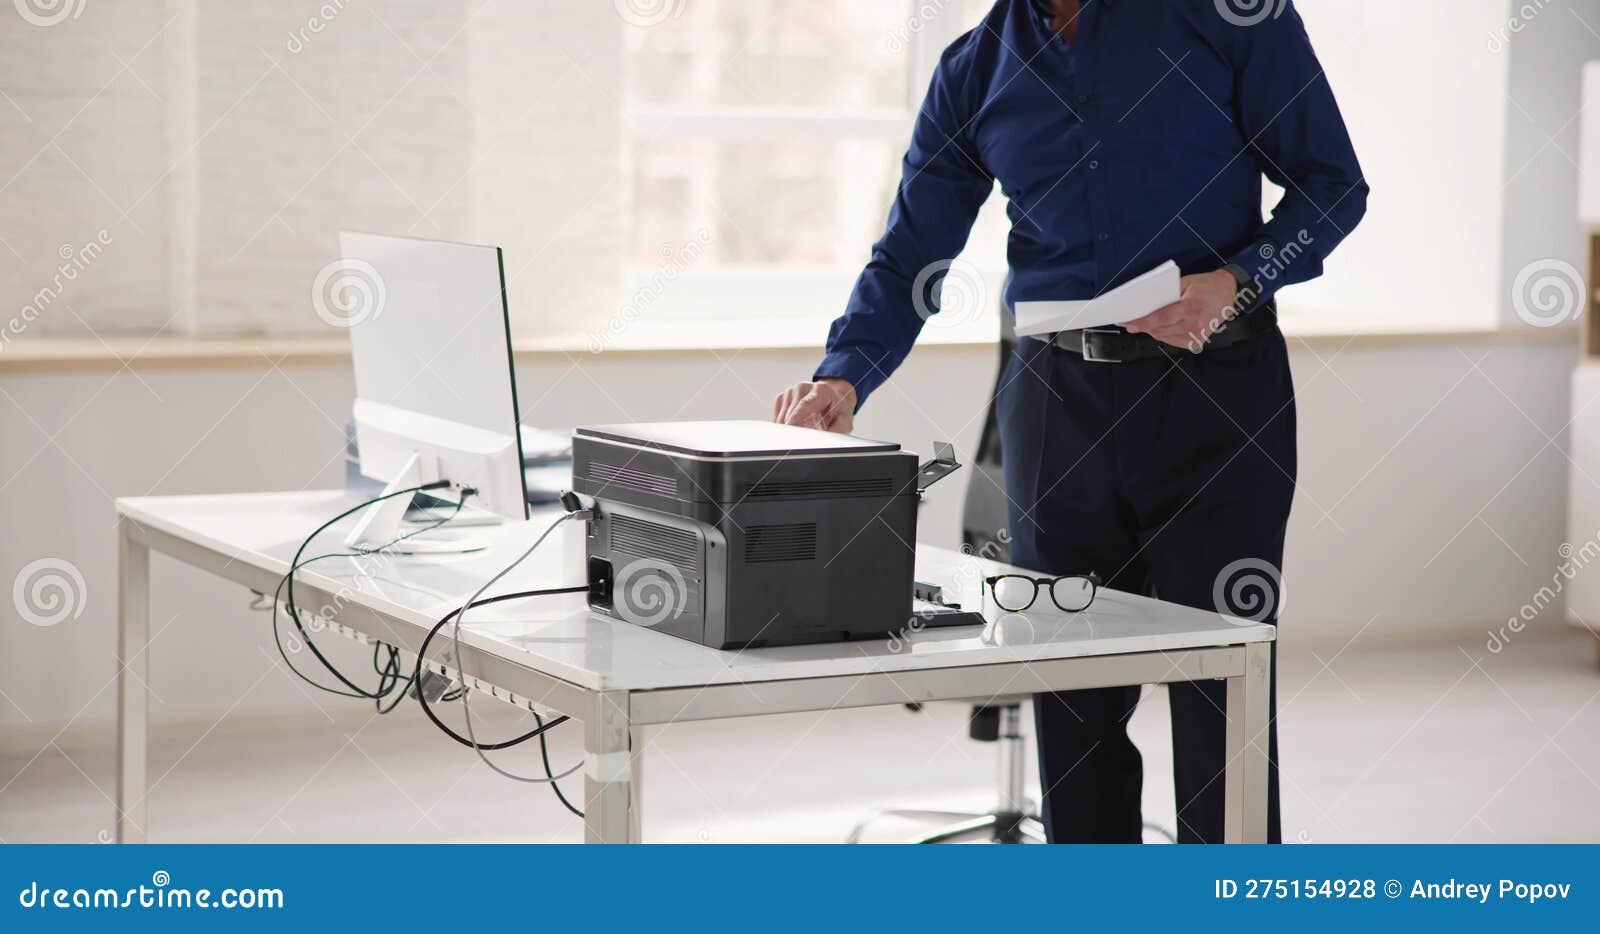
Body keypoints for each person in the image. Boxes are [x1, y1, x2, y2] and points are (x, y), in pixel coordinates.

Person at [772, 0, 1367, 843]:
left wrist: (1235, 280)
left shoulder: (1234, 17)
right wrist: (844, 375)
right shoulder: (973, 67)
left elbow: (1334, 184)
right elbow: (911, 250)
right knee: (1074, 702)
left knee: (1222, 695)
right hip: (1054, 413)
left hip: (1218, 400)